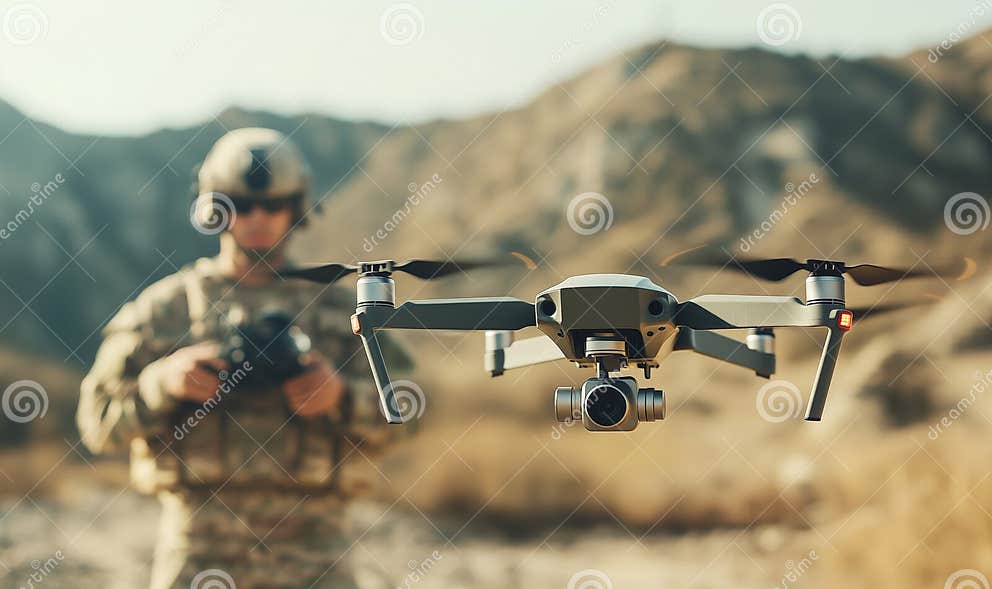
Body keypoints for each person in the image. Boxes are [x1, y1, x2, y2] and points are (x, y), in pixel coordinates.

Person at [76, 127, 411, 589]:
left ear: (295, 208)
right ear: (213, 208)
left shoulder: (342, 311)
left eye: (273, 205)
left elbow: (412, 411)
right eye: (240, 204)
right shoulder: (164, 309)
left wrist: (340, 397)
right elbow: (96, 422)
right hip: (199, 547)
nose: (258, 217)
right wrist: (162, 383)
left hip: (317, 551)